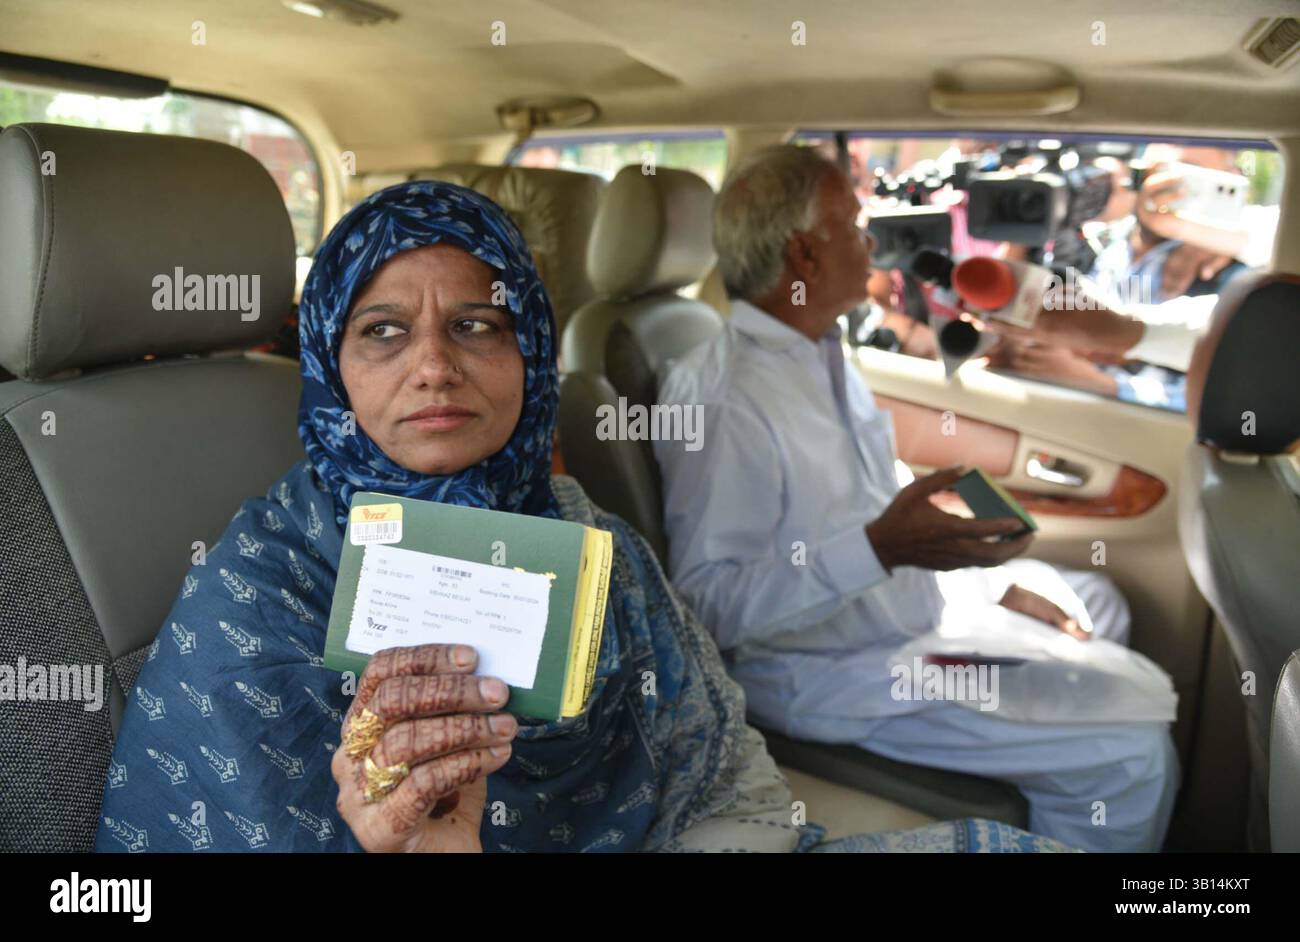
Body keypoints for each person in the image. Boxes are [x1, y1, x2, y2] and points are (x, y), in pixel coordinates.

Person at [94, 180, 1069, 854]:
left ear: (531, 353)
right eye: (382, 332)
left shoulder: (579, 528)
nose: (433, 365)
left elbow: (718, 758)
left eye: (478, 325)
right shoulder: (264, 583)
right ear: (329, 367)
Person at [654, 145, 1180, 853]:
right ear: (805, 255)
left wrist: (990, 585)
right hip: (827, 670)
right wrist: (879, 550)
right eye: (854, 222)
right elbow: (709, 609)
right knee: (1129, 757)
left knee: (1097, 605)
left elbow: (863, 510)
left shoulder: (820, 352)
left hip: (898, 614)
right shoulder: (725, 397)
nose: (872, 239)